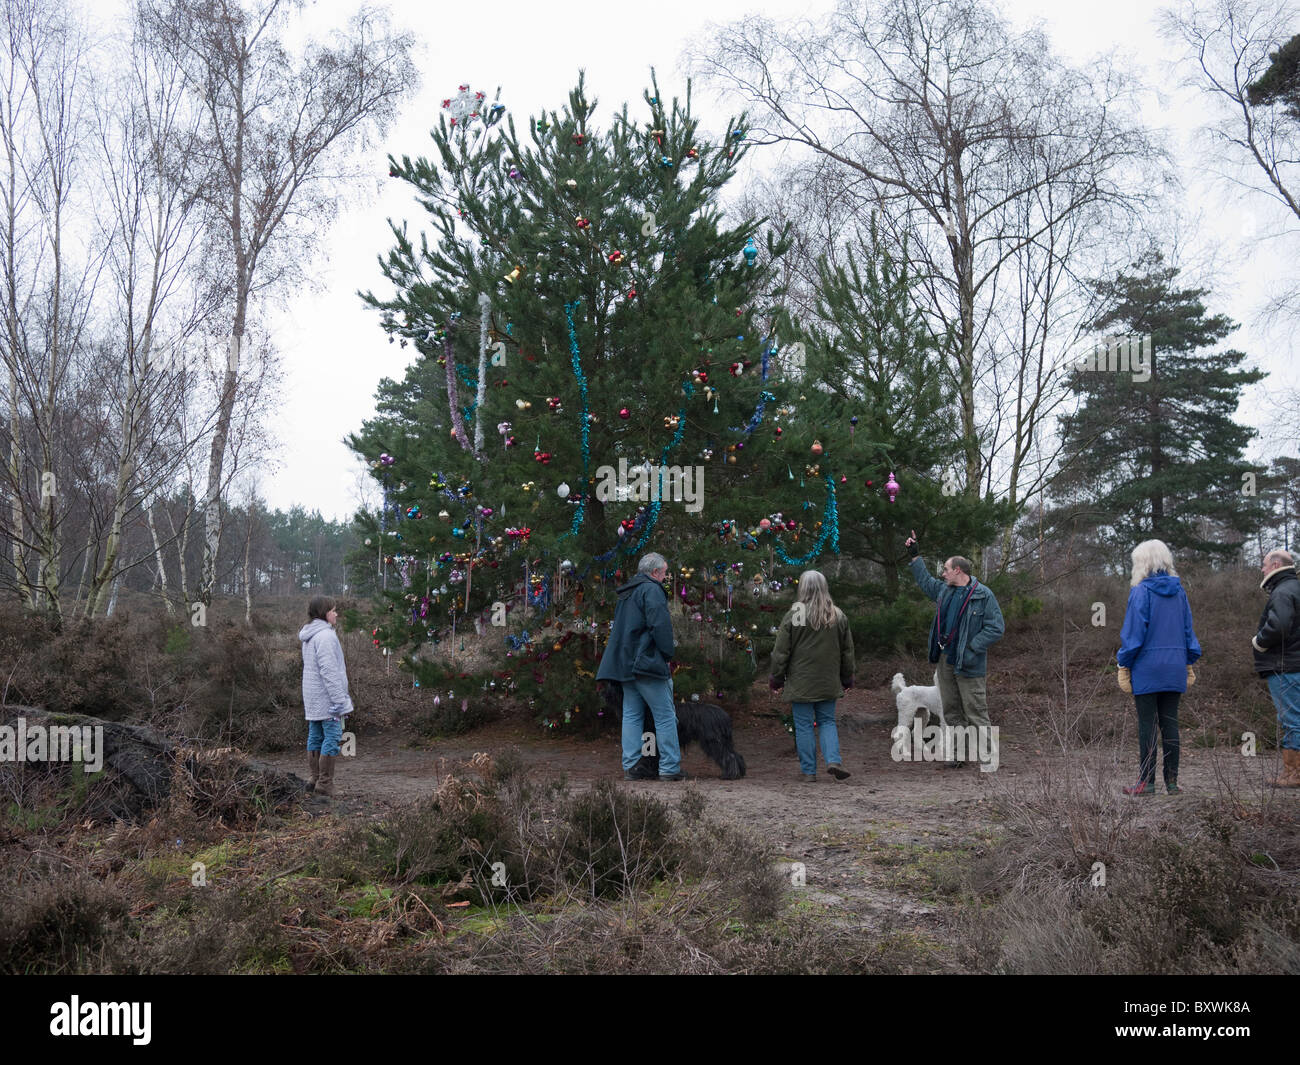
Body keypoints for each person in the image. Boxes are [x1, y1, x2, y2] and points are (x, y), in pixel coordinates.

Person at [905, 530, 1004, 768]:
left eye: (946, 569)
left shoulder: (983, 595)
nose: (943, 573)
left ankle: (988, 760)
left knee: (976, 712)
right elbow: (926, 582)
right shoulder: (945, 590)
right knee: (951, 712)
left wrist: (971, 647)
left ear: (958, 570)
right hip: (945, 661)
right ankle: (958, 756)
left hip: (970, 664)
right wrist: (915, 556)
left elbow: (996, 628)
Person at [1116, 540, 1201, 797]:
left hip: (1147, 668)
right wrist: (1189, 661)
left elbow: (1134, 635)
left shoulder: (1140, 592)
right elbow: (1188, 631)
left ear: (1142, 562)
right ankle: (1172, 783)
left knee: (1147, 726)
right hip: (1175, 666)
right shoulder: (1180, 592)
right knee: (1171, 723)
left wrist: (1123, 663)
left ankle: (1146, 783)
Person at [597, 552, 685, 781]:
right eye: (665, 573)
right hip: (647, 662)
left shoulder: (627, 592)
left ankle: (632, 766)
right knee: (665, 715)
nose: (666, 578)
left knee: (631, 715)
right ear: (655, 572)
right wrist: (667, 654)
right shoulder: (652, 590)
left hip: (625, 663)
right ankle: (670, 767)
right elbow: (660, 625)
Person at [770, 570, 854, 782]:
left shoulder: (796, 613)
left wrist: (777, 677)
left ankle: (809, 772)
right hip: (828, 680)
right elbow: (847, 651)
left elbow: (782, 651)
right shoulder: (837, 614)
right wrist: (847, 677)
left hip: (801, 682)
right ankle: (833, 760)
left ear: (803, 588)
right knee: (827, 721)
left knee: (804, 725)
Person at [1252, 548, 1300, 788]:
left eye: (1264, 564)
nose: (1262, 569)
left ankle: (1294, 775)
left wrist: (1258, 642)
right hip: (1294, 663)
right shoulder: (1295, 588)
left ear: (1275, 565)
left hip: (1286, 666)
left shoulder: (1282, 592)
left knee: (1291, 720)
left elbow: (1279, 626)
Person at [299, 595, 354, 797]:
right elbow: (329, 672)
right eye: (333, 610)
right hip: (327, 698)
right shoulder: (326, 636)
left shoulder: (310, 635)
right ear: (324, 613)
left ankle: (314, 779)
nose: (336, 613)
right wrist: (340, 701)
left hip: (312, 696)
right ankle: (325, 782)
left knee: (315, 734)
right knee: (332, 735)